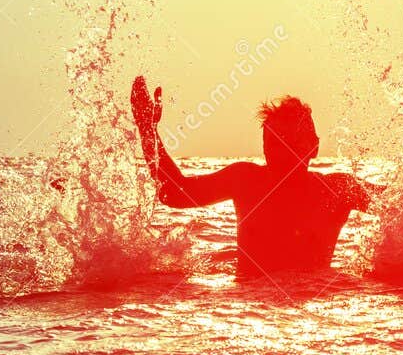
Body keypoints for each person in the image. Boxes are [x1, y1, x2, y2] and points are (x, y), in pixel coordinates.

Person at [130, 76, 380, 279]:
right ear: (263, 145)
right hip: (249, 300)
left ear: (313, 147)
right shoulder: (246, 180)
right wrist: (147, 129)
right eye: (274, 143)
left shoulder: (339, 189)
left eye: (291, 143)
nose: (281, 153)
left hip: (311, 300)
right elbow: (174, 193)